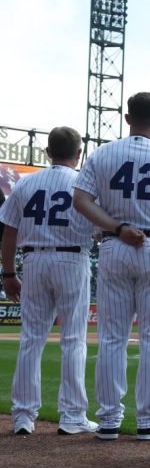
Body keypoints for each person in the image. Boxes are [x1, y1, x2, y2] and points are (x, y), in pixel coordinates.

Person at [72, 92, 150, 441]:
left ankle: (110, 419)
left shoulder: (103, 154)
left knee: (112, 338)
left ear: (127, 118)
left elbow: (80, 200)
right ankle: (148, 420)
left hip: (115, 245)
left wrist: (115, 227)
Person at [0, 127, 97, 435]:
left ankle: (23, 416)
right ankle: (72, 416)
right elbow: (98, 228)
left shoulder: (26, 182)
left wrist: (8, 273)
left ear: (47, 151)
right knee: (73, 339)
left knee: (31, 339)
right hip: (72, 259)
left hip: (34, 260)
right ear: (78, 153)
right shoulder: (85, 182)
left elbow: (10, 232)